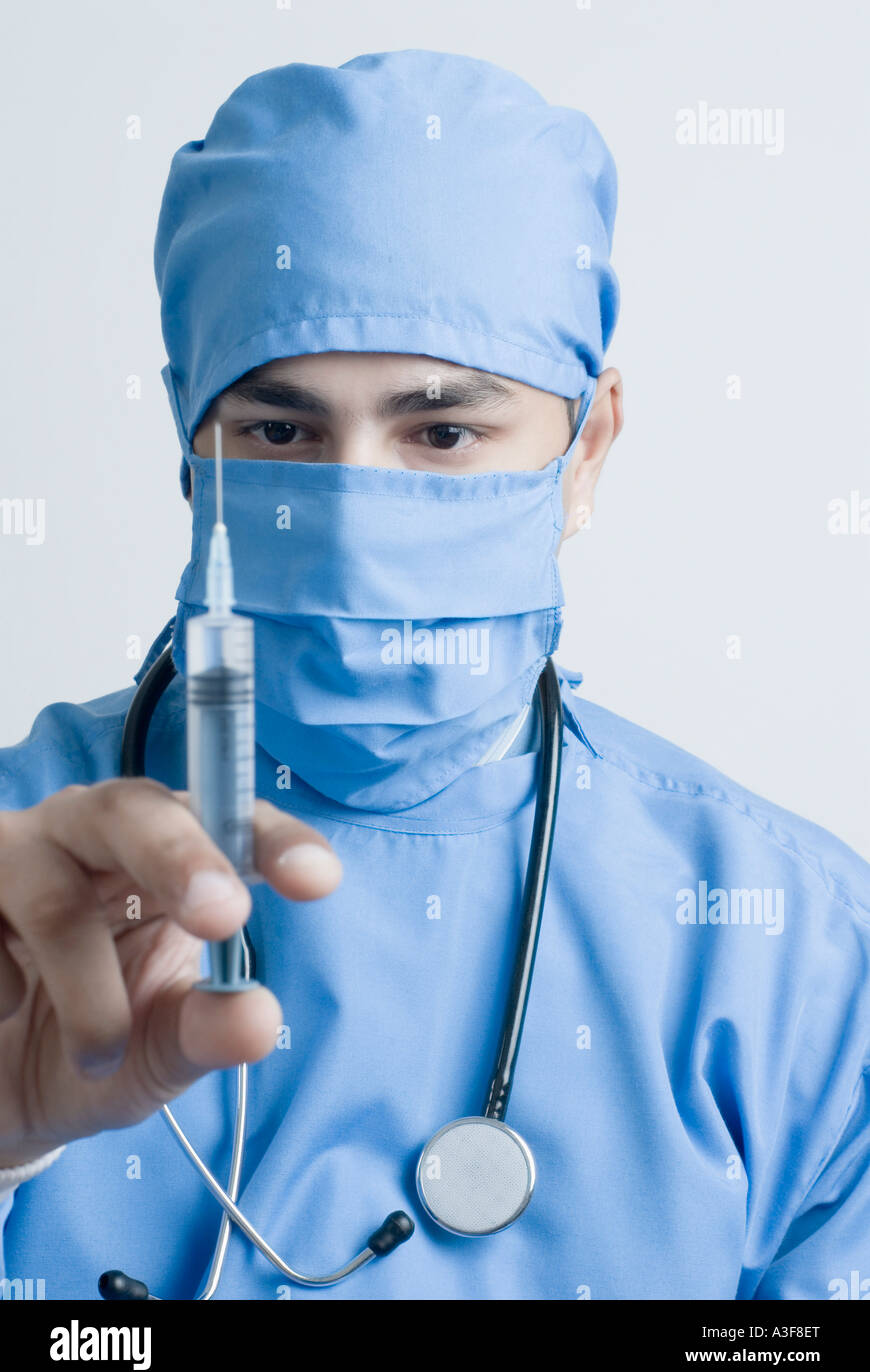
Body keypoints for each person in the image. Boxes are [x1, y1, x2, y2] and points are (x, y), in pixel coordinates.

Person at [0, 49, 868, 1303]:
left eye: (444, 431)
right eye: (281, 432)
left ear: (587, 451)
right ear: (193, 454)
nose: (355, 517)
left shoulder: (795, 963)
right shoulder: (19, 876)